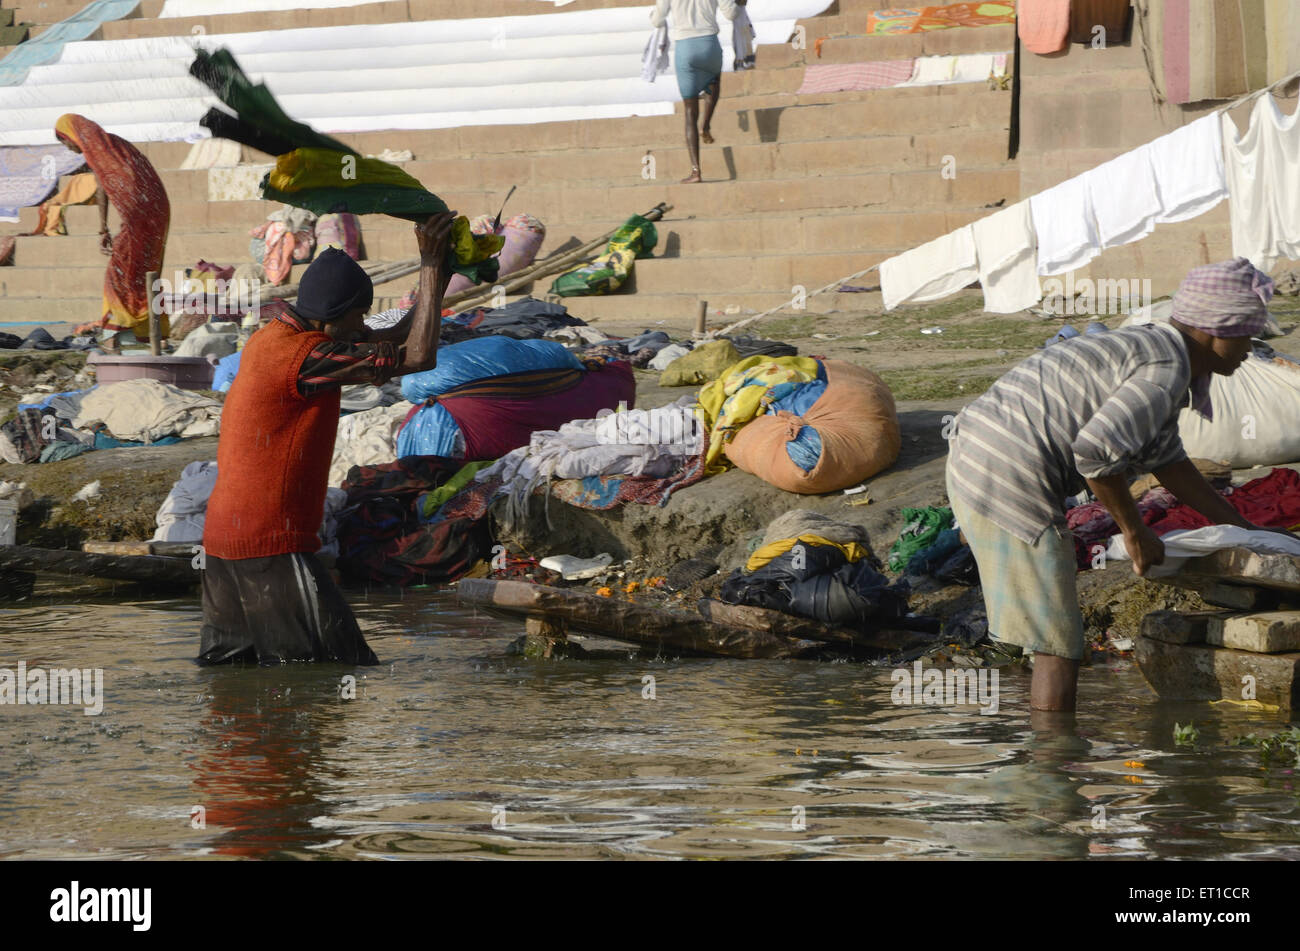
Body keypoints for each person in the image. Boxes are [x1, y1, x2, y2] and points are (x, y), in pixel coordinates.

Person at [945, 258, 1293, 713]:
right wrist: (1135, 532)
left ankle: (1046, 752)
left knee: (1051, 635)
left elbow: (1172, 464)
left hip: (982, 457)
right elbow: (1095, 455)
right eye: (1248, 336)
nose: (1251, 349)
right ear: (1217, 332)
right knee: (1059, 644)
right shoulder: (1165, 366)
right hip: (1004, 470)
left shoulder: (1164, 356)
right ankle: (1053, 764)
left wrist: (1248, 530)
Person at [197, 211, 457, 666]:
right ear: (334, 316)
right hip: (270, 541)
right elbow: (419, 355)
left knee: (232, 673)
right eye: (358, 316)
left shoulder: (277, 338)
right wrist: (430, 265)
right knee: (333, 667)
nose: (363, 328)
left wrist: (444, 271)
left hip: (225, 541)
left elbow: (388, 334)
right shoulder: (305, 357)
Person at [52, 114, 170, 353]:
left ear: (74, 135)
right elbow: (104, 186)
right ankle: (145, 335)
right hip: (156, 211)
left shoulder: (101, 149)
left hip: (142, 215)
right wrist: (103, 227)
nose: (69, 148)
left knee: (119, 274)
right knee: (143, 271)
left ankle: (113, 335)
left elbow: (116, 185)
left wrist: (114, 225)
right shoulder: (107, 146)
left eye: (66, 142)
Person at [650, 0, 746, 184]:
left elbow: (657, 19)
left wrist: (652, 15)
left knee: (689, 112)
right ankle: (706, 124)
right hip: (709, 44)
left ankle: (696, 171)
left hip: (685, 48)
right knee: (713, 82)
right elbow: (731, 13)